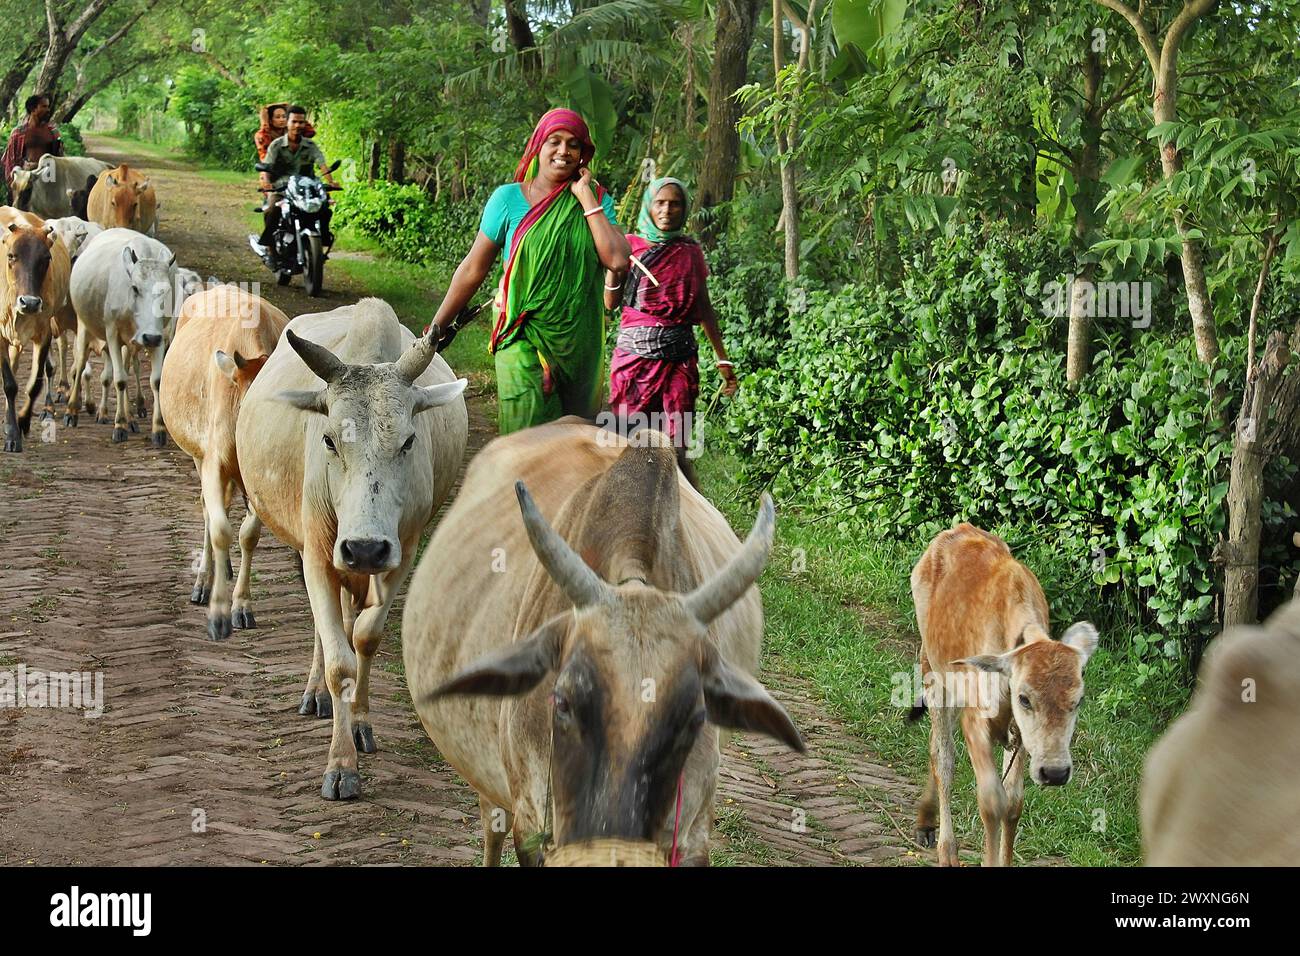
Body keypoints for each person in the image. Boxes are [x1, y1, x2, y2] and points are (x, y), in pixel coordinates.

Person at [425, 108, 630, 435]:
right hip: (521, 335)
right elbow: (472, 269)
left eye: (573, 144)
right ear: (538, 145)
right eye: (555, 141)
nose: (564, 151)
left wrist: (584, 195)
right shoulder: (507, 200)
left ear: (583, 155)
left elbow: (618, 260)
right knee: (527, 437)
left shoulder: (598, 201)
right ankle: (514, 486)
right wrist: (435, 330)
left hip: (580, 346)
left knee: (571, 446)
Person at [603, 177, 737, 485]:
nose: (667, 210)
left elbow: (703, 306)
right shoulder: (629, 246)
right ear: (649, 206)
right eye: (660, 203)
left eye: (674, 203)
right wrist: (614, 266)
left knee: (677, 443)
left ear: (685, 208)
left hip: (680, 360)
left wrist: (723, 359)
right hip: (633, 363)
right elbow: (610, 303)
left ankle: (683, 505)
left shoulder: (690, 252)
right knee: (625, 440)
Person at [249, 105, 338, 263]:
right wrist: (267, 184)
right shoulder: (276, 145)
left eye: (301, 122)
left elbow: (322, 164)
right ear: (288, 123)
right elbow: (266, 168)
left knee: (324, 206)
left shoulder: (310, 145)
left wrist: (331, 181)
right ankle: (270, 249)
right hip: (282, 188)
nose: (297, 125)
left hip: (307, 187)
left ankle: (322, 237)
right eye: (294, 121)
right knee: (271, 209)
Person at [2, 94, 64, 201]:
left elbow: (60, 157)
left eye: (48, 106)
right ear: (33, 109)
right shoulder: (18, 132)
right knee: (22, 209)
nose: (48, 110)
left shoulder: (53, 132)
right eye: (44, 106)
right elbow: (10, 160)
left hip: (48, 176)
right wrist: (14, 180)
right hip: (25, 175)